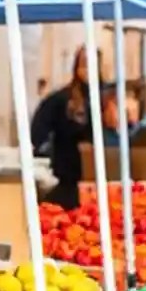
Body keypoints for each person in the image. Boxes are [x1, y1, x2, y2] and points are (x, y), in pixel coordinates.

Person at [32, 48, 91, 209]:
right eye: (85, 65)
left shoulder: (107, 100)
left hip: (96, 182)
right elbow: (38, 131)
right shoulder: (60, 100)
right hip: (67, 179)